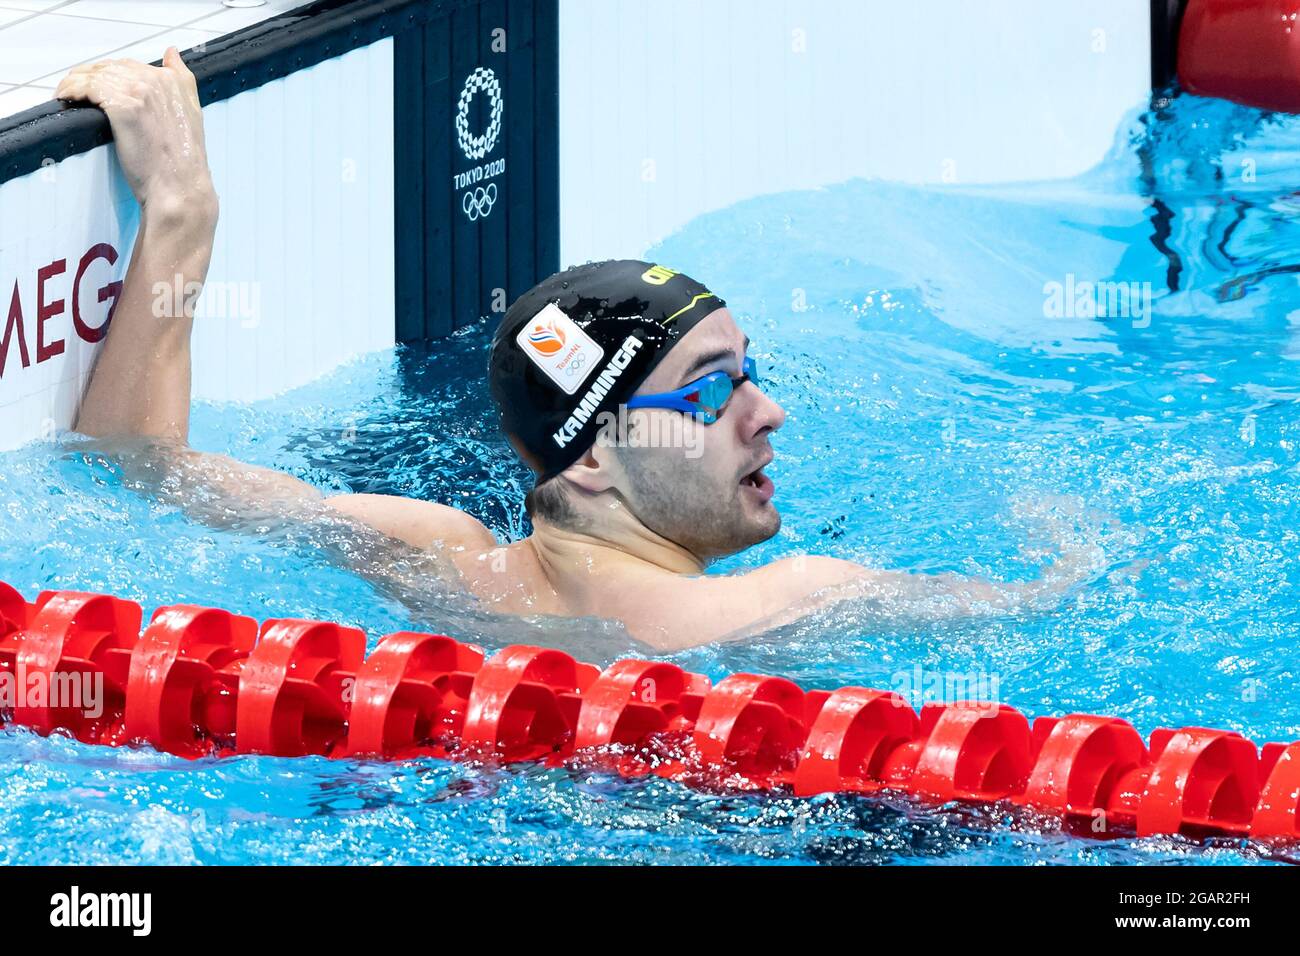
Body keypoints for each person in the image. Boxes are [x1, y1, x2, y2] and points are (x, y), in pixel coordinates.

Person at [60, 53, 1094, 651]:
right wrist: (1069, 550)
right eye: (711, 389)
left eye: (752, 373)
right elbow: (1055, 610)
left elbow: (136, 463)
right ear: (591, 455)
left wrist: (183, 213)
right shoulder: (788, 600)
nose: (766, 411)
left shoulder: (438, 561)